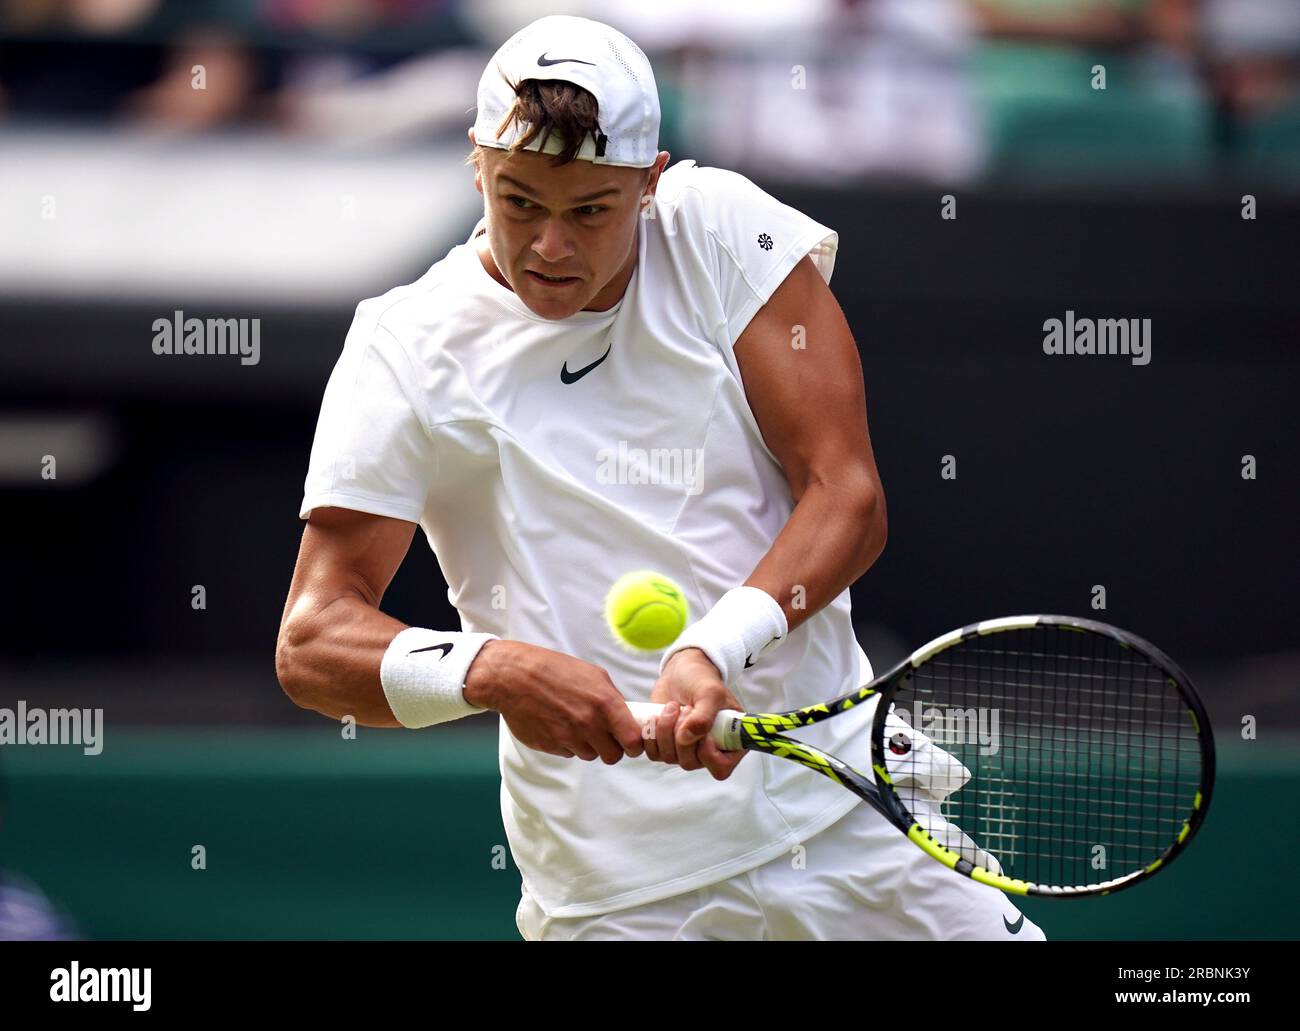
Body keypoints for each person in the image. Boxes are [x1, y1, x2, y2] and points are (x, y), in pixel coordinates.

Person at [276, 14, 1044, 941]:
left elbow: (848, 496)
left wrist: (711, 649)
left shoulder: (721, 230)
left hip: (842, 817)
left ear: (651, 180)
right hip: (616, 894)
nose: (550, 246)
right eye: (519, 202)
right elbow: (314, 642)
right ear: (475, 165)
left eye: (590, 211)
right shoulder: (402, 346)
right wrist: (494, 669)